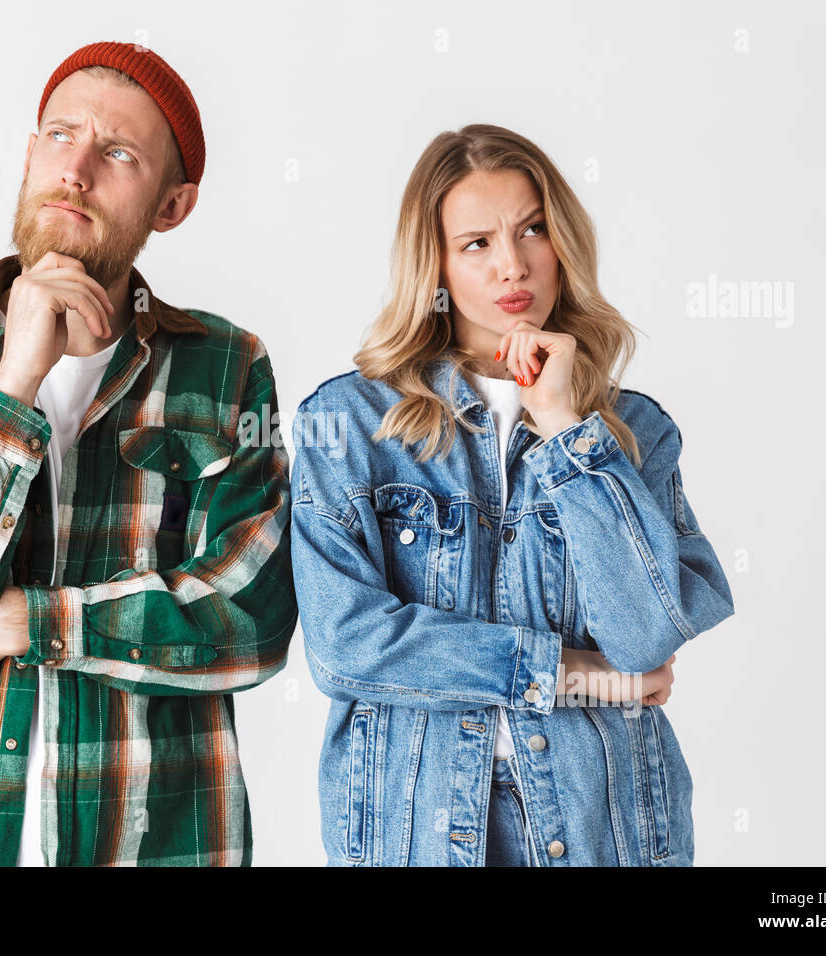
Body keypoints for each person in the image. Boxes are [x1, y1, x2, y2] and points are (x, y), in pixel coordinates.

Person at [0, 41, 296, 866]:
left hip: (168, 844)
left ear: (172, 206)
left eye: (118, 153)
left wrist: (25, 622)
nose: (75, 170)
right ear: (28, 155)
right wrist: (12, 388)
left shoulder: (227, 370)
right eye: (59, 135)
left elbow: (249, 622)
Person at [289, 123, 735, 866]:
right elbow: (346, 646)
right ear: (433, 265)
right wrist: (568, 673)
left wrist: (564, 427)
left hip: (604, 830)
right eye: (477, 244)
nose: (513, 264)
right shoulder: (349, 424)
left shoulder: (634, 432)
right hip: (414, 831)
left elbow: (645, 638)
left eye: (533, 230)